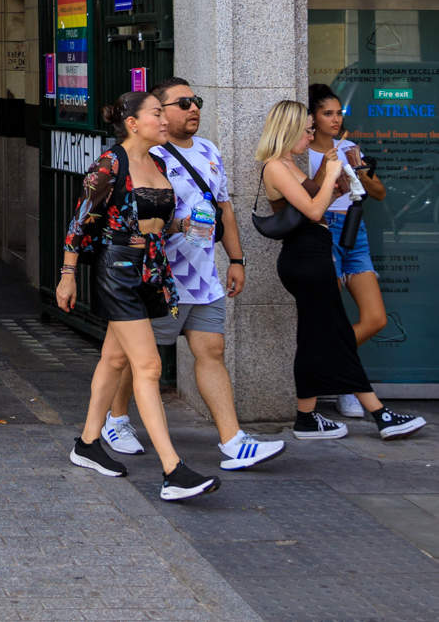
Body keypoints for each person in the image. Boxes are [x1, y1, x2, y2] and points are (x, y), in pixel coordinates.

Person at [99, 78, 284, 471]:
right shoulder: (147, 157)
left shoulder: (209, 151)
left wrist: (236, 259)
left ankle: (233, 440)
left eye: (195, 101)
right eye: (182, 103)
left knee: (211, 351)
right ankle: (116, 420)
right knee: (135, 358)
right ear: (158, 112)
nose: (193, 108)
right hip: (158, 274)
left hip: (203, 275)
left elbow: (224, 209)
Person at [56, 91, 221, 502]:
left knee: (114, 359)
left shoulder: (160, 161)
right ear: (132, 122)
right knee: (147, 366)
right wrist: (67, 275)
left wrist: (184, 224)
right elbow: (80, 222)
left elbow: (154, 223)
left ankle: (88, 443)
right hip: (119, 271)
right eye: (157, 114)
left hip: (152, 270)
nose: (165, 120)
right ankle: (172, 469)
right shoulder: (110, 165)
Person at [258, 100, 426, 441]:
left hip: (313, 255)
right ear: (288, 131)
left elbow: (318, 193)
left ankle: (307, 418)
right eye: (305, 132)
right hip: (305, 259)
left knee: (315, 337)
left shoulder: (290, 164)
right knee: (333, 335)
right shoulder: (275, 166)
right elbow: (313, 210)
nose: (309, 137)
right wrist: (331, 175)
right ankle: (380, 414)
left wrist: (338, 175)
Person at [306, 83, 389, 419]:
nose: (336, 119)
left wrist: (358, 169)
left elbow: (379, 193)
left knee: (375, 318)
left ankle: (324, 367)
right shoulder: (304, 152)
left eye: (339, 113)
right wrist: (327, 170)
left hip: (356, 231)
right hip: (324, 231)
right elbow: (307, 198)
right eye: (328, 113)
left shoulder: (350, 147)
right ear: (312, 117)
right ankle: (349, 386)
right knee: (334, 319)